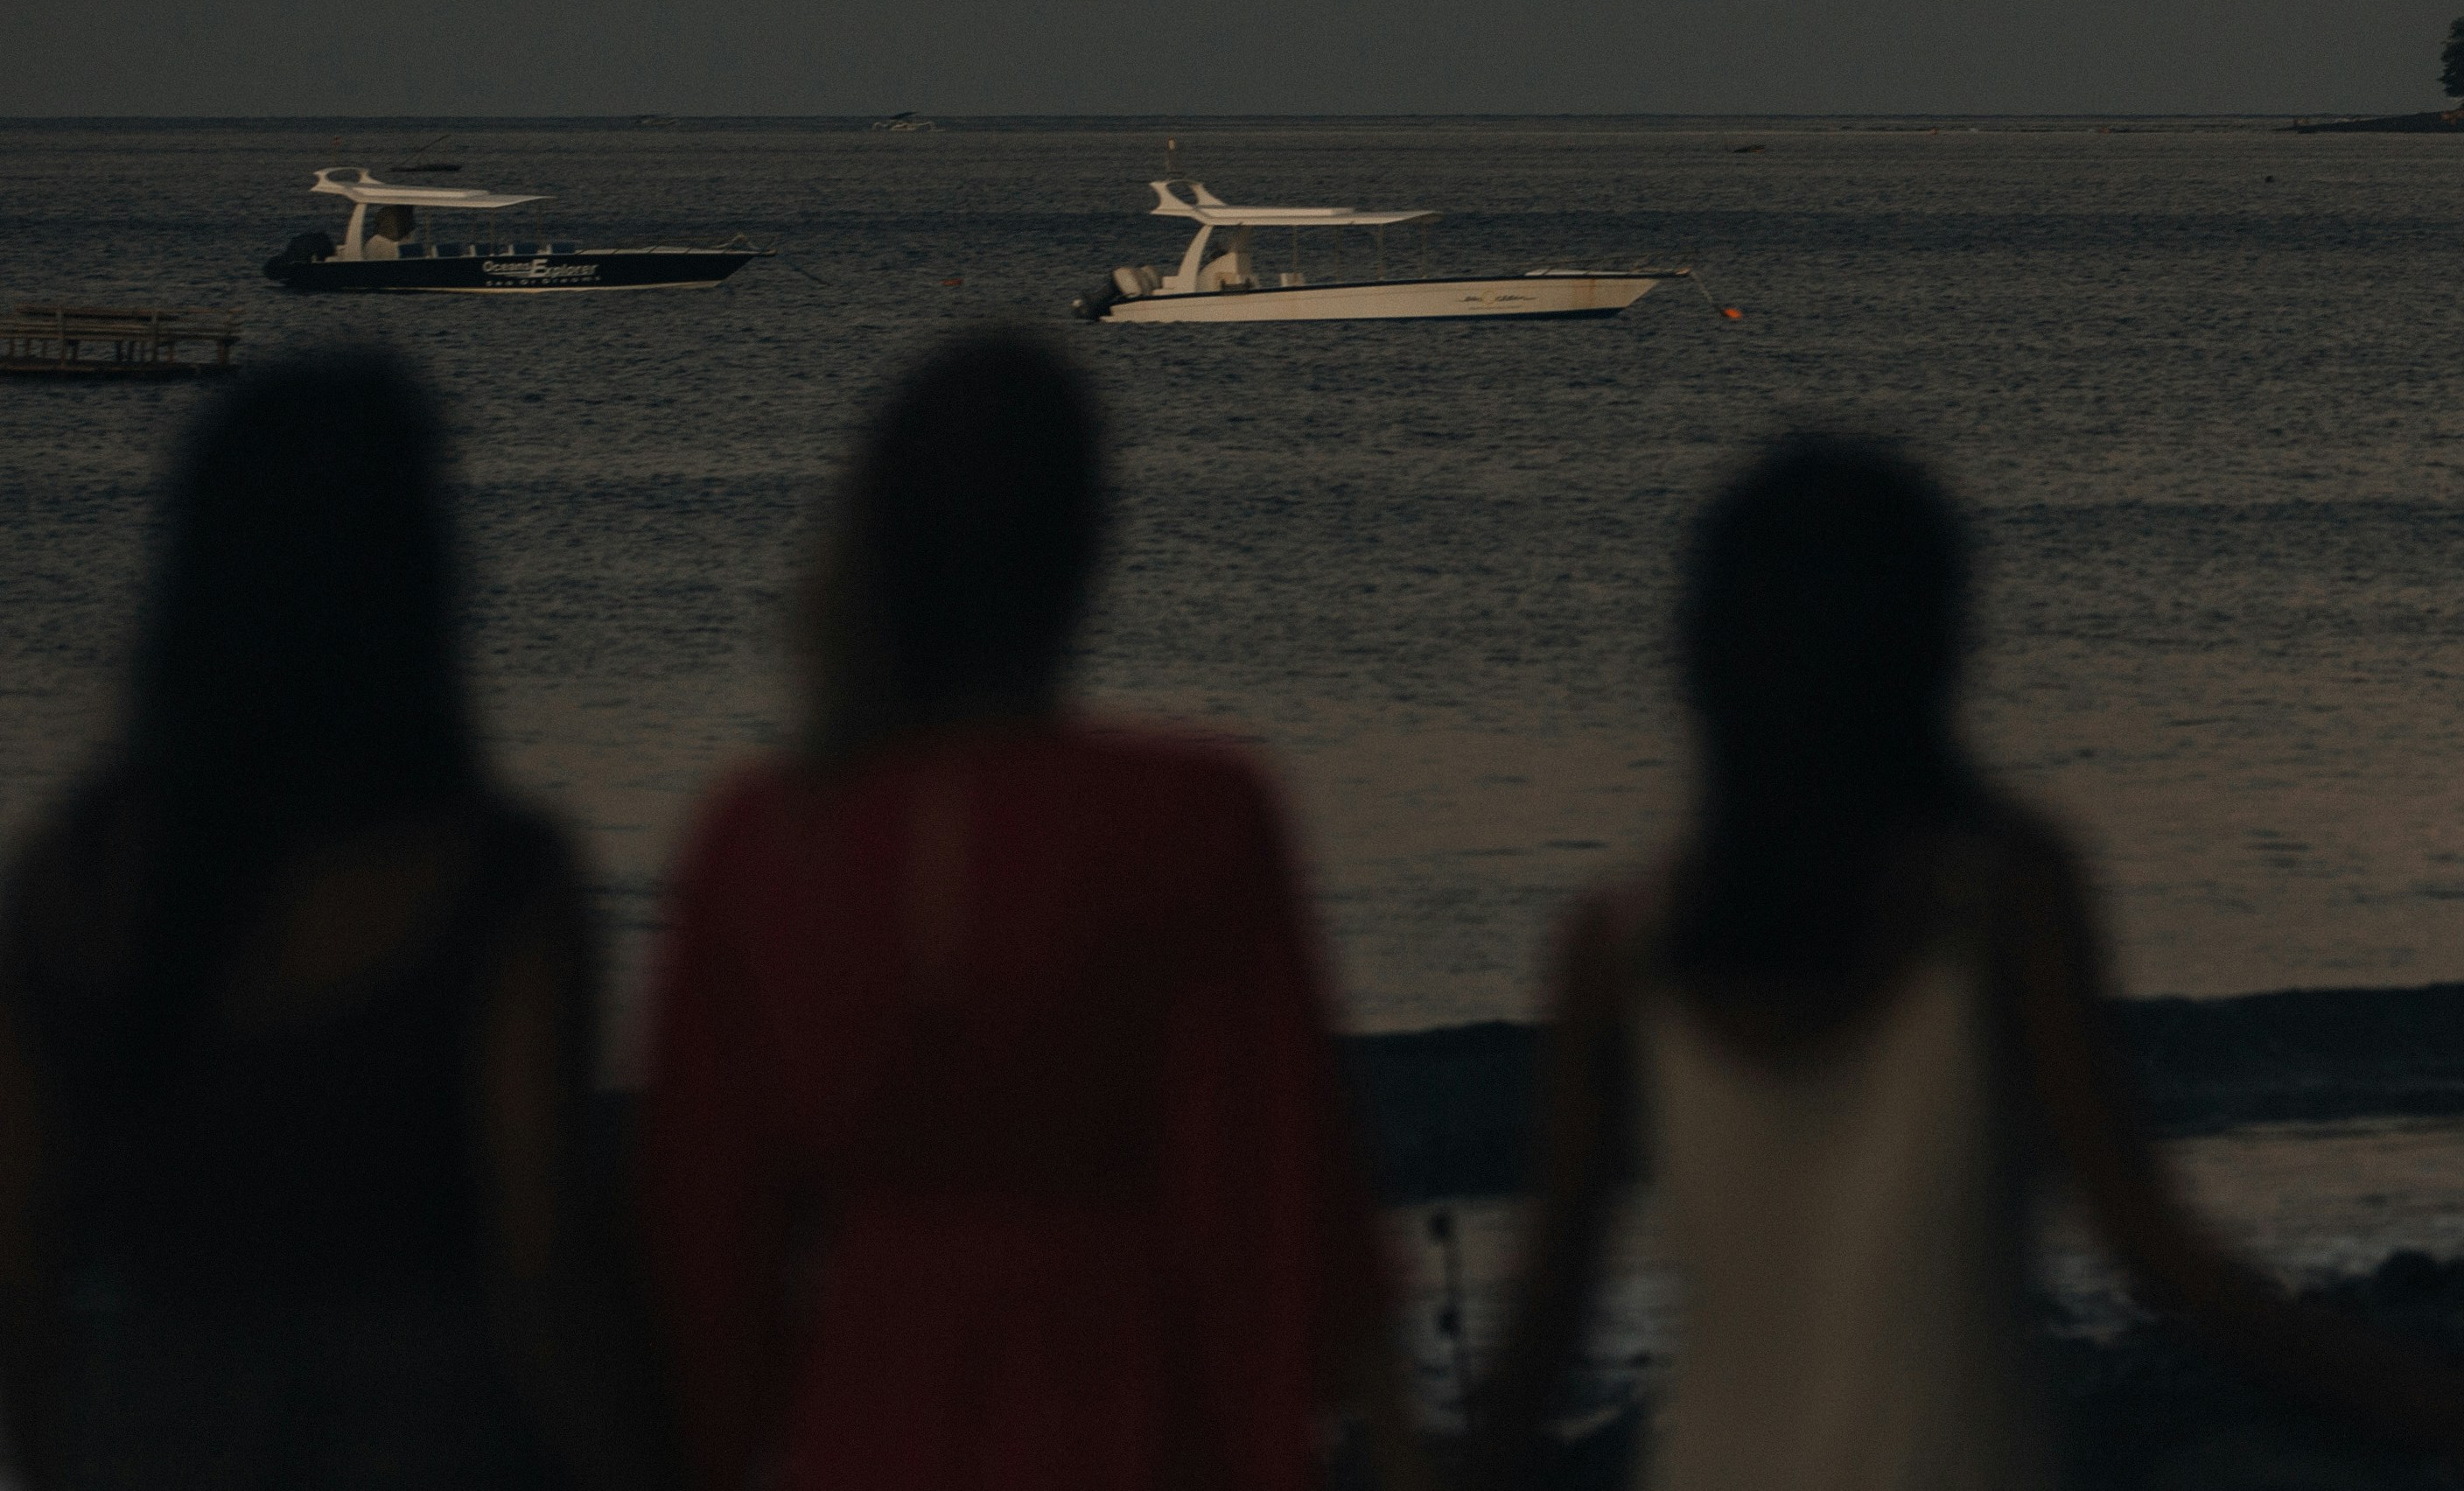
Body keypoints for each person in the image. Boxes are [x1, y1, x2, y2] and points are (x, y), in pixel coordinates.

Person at [1458, 438, 2464, 1491]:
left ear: (1703, 657)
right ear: (1935, 645)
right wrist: (2462, 1413)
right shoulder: (1999, 899)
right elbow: (2154, 1251)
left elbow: (1545, 1327)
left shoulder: (1618, 946)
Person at [636, 331, 1409, 1491]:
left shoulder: (766, 841)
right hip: (1130, 1418)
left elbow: (700, 1258)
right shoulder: (1193, 819)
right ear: (1084, 545)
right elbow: (1278, 1214)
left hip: (870, 1421)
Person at [0, 351, 649, 1491]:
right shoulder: (493, 882)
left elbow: (27, 1254)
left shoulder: (75, 880)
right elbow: (538, 1252)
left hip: (157, 1433)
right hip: (430, 1442)